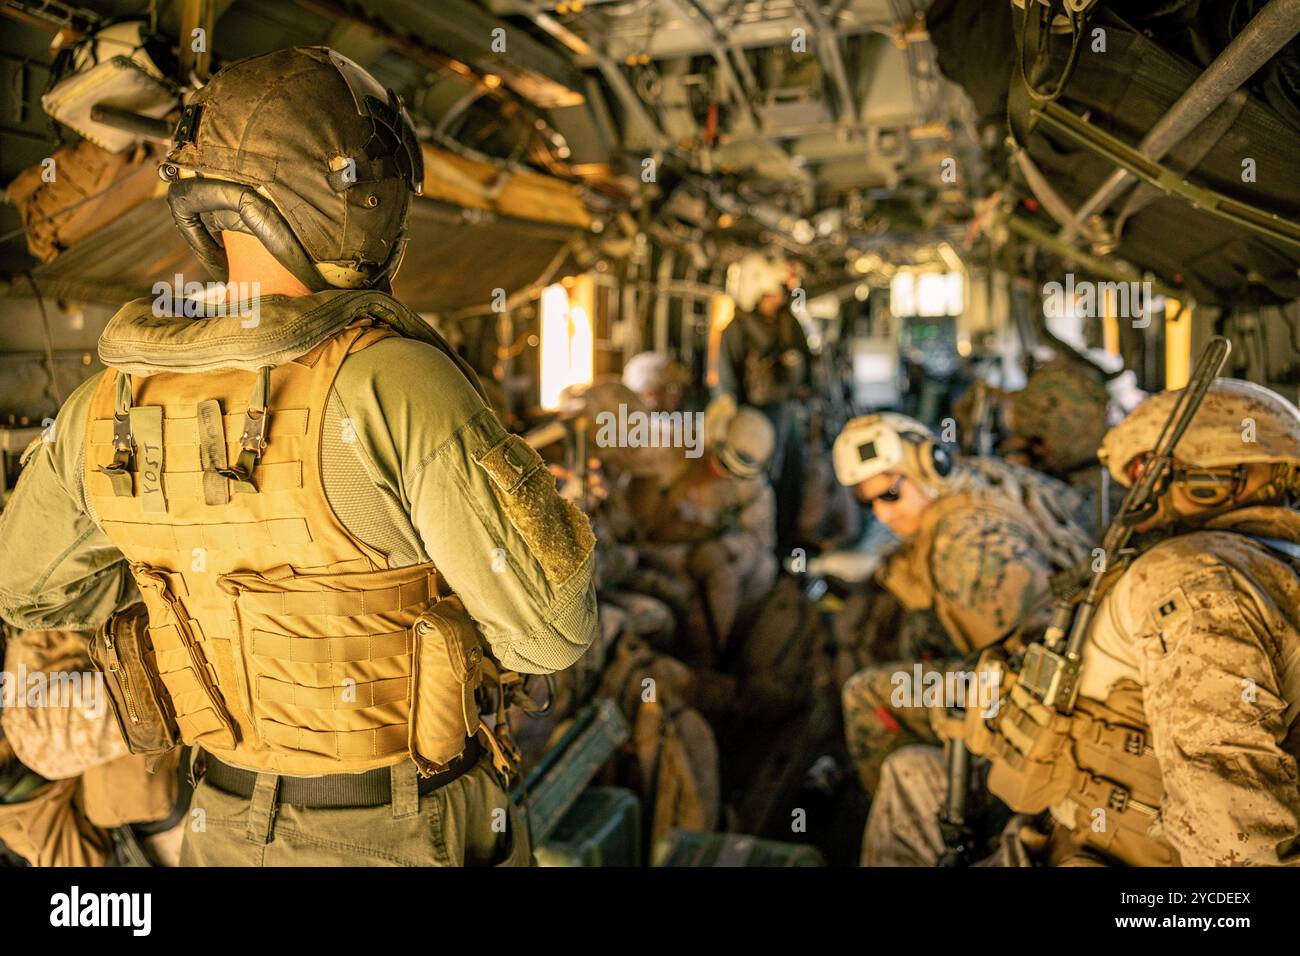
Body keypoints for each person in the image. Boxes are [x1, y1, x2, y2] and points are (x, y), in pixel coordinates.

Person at [0, 47, 597, 867]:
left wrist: (173, 562)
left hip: (220, 822)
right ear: (359, 201)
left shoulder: (104, 404)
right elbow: (550, 637)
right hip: (402, 829)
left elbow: (28, 593)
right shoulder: (397, 379)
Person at [866, 379, 1300, 867]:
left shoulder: (1189, 578)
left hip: (1106, 854)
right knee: (911, 773)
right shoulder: (1269, 561)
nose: (1136, 492)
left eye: (1143, 470)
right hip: (1071, 825)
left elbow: (1233, 830)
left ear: (1210, 481)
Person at [831, 413, 1090, 799]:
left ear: (927, 466)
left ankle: (927, 820)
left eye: (889, 494)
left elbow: (1026, 672)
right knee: (920, 632)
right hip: (1054, 656)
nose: (883, 515)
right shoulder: (974, 480)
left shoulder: (967, 544)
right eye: (867, 503)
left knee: (866, 693)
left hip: (1050, 699)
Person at [628, 399, 777, 669]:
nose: (720, 474)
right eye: (719, 462)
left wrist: (726, 549)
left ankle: (720, 659)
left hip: (708, 551)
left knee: (756, 571)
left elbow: (760, 538)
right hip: (655, 548)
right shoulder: (672, 448)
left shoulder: (751, 484)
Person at [718, 253, 814, 555]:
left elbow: (807, 360)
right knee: (761, 481)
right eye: (770, 293)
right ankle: (762, 545)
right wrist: (735, 416)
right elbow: (727, 376)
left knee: (793, 474)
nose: (776, 299)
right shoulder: (738, 328)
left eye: (779, 293)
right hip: (756, 417)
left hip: (788, 411)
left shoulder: (789, 322)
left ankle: (788, 540)